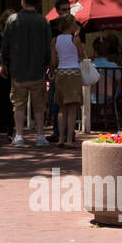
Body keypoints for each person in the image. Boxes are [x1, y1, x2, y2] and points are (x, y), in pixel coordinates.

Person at [0, 0, 51, 147]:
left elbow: (6, 43)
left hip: (18, 69)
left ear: (23, 0)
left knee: (18, 104)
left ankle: (20, 136)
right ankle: (40, 135)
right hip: (38, 69)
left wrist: (3, 62)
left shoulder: (13, 20)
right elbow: (47, 46)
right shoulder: (44, 21)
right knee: (39, 105)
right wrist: (48, 64)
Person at [50, 15, 86, 148]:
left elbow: (53, 61)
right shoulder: (74, 39)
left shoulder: (55, 40)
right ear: (72, 25)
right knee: (72, 109)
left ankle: (60, 138)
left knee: (61, 108)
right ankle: (70, 139)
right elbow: (82, 55)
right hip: (73, 73)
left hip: (61, 73)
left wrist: (52, 71)